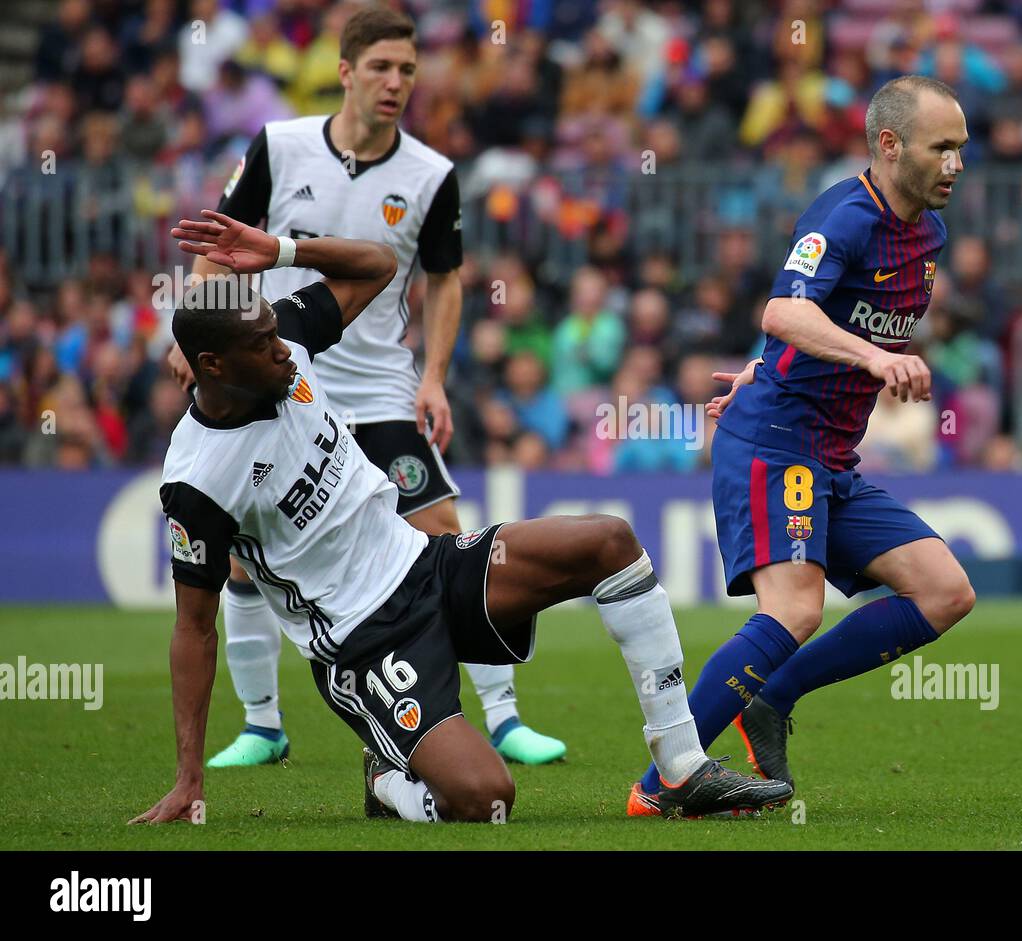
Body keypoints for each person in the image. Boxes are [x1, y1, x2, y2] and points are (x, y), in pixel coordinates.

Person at [132, 212, 792, 824]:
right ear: (212, 365)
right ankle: (387, 778)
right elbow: (193, 627)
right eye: (261, 342)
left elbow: (380, 264)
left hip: (427, 564)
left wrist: (280, 250)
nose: (281, 348)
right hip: (365, 640)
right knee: (486, 798)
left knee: (609, 541)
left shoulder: (288, 344)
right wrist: (189, 775)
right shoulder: (196, 480)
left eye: (276, 332)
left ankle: (680, 769)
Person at [166, 6, 565, 767]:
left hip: (380, 384)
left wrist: (437, 378)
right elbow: (218, 243)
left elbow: (445, 282)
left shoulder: (431, 174)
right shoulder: (279, 147)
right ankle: (262, 724)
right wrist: (194, 328)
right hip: (283, 374)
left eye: (408, 70)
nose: (396, 83)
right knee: (248, 557)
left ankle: (504, 715)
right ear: (345, 70)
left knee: (444, 531)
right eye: (381, 67)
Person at [626, 76, 978, 814]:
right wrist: (873, 359)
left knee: (946, 592)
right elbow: (784, 307)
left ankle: (774, 694)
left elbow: (813, 324)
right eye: (941, 147)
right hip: (775, 441)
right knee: (794, 610)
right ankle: (664, 782)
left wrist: (766, 364)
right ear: (889, 145)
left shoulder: (931, 235)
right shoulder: (846, 215)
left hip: (828, 455)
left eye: (961, 149)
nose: (955, 164)